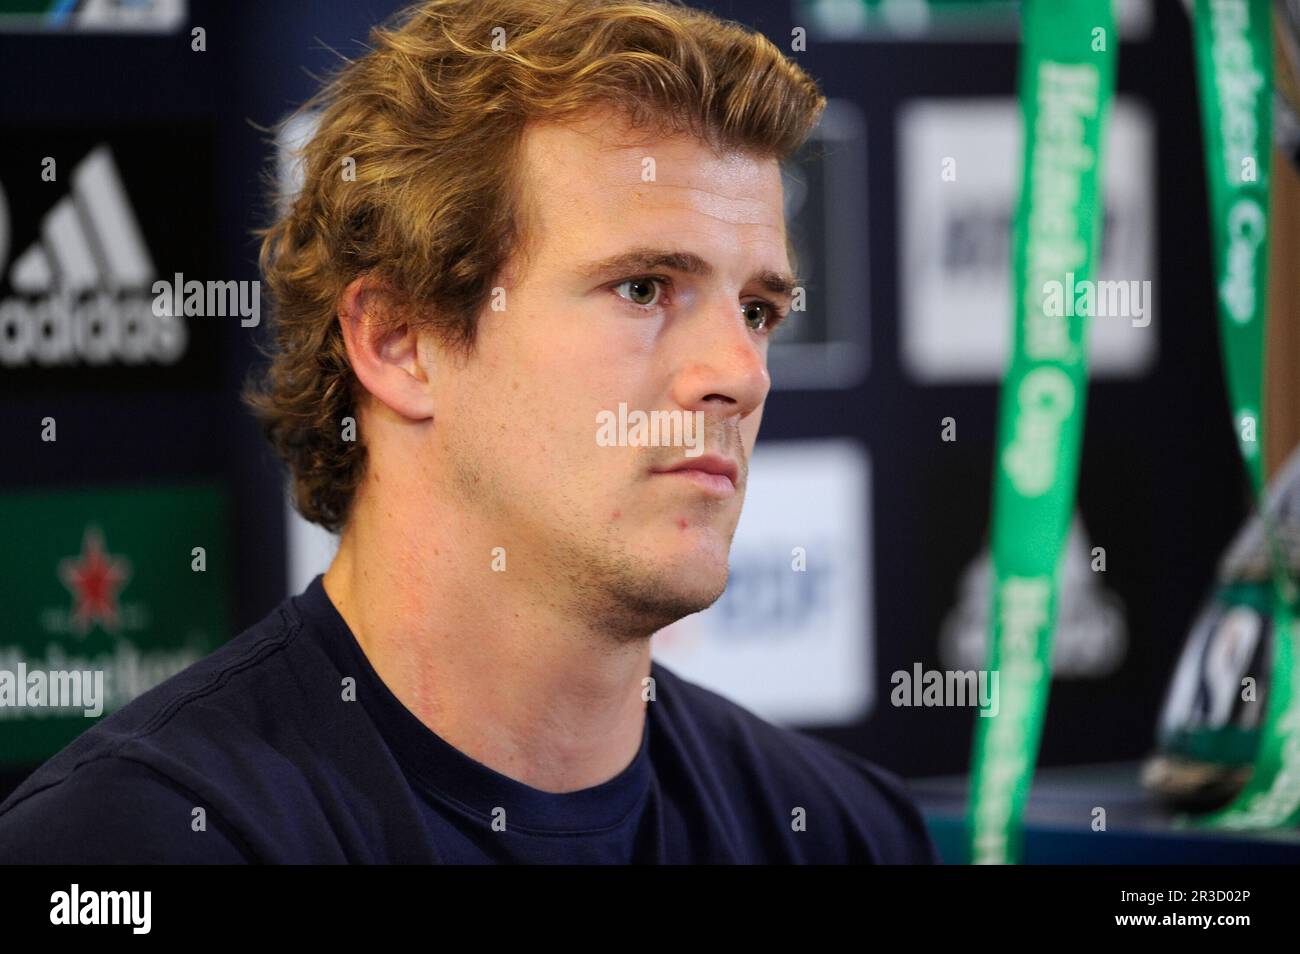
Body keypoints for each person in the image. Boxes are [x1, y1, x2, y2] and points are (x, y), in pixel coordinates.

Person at [0, 0, 937, 863]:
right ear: (400, 341)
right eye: (643, 288)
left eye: (759, 309)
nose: (740, 374)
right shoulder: (136, 845)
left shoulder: (843, 833)